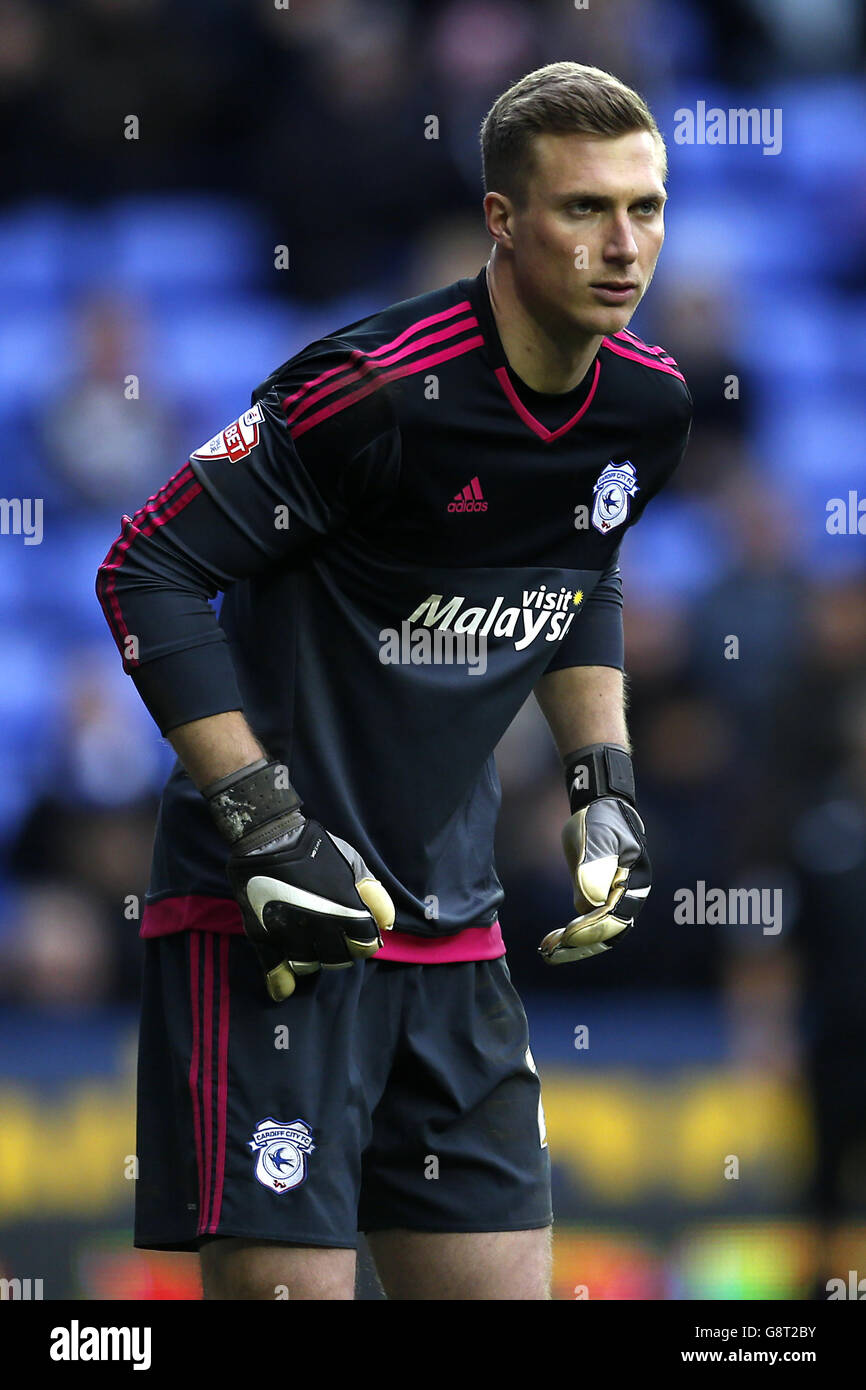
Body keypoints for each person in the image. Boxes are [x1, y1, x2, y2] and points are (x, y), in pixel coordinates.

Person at [96, 61, 692, 1301]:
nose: (622, 244)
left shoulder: (647, 404)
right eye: (584, 209)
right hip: (275, 921)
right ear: (501, 219)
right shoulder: (372, 391)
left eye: (644, 208)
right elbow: (145, 568)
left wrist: (601, 783)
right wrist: (266, 825)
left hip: (455, 925)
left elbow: (580, 565)